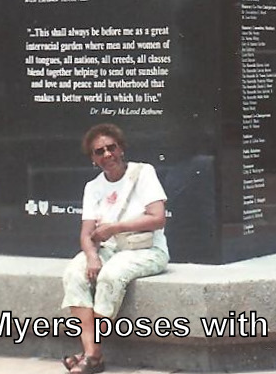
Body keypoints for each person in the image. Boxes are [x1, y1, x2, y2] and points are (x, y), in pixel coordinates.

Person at [61, 124, 168, 374]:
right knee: (74, 274)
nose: (107, 155)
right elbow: (87, 233)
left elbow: (158, 218)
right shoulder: (93, 187)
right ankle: (92, 354)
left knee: (111, 276)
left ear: (121, 149)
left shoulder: (143, 173)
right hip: (108, 249)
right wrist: (91, 257)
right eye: (100, 151)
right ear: (93, 158)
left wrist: (115, 227)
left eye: (112, 148)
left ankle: (91, 355)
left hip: (147, 249)